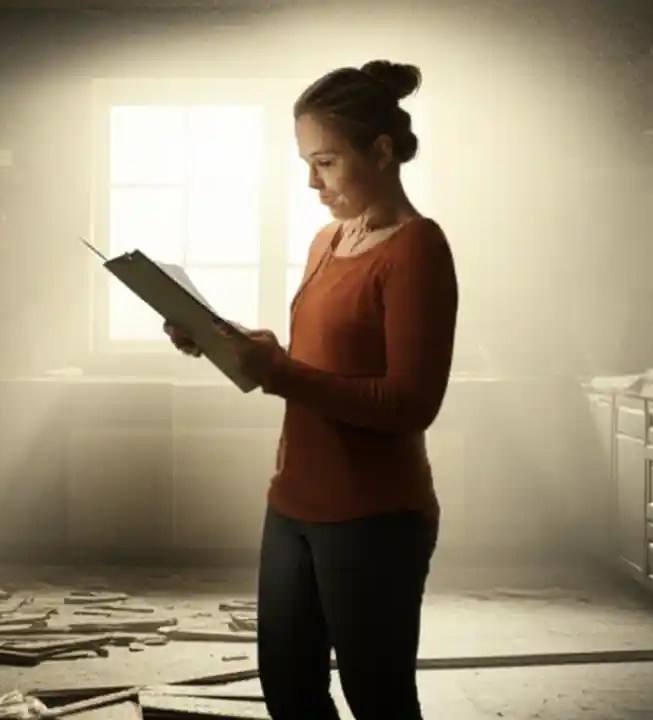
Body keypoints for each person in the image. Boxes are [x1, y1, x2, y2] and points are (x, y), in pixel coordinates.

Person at [164, 59, 458, 720]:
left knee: (377, 697)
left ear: (380, 151)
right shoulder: (328, 239)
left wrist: (278, 371)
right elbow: (320, 365)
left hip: (376, 513)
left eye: (325, 162)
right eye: (306, 161)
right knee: (289, 692)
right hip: (293, 501)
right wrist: (222, 340)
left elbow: (412, 403)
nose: (310, 181)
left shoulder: (418, 249)